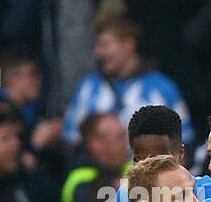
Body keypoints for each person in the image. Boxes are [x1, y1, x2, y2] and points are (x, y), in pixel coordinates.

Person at [62, 16, 193, 147]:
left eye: (105, 45)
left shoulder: (162, 88)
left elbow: (183, 143)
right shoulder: (88, 86)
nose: (98, 52)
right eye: (97, 45)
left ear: (128, 44)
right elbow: (71, 137)